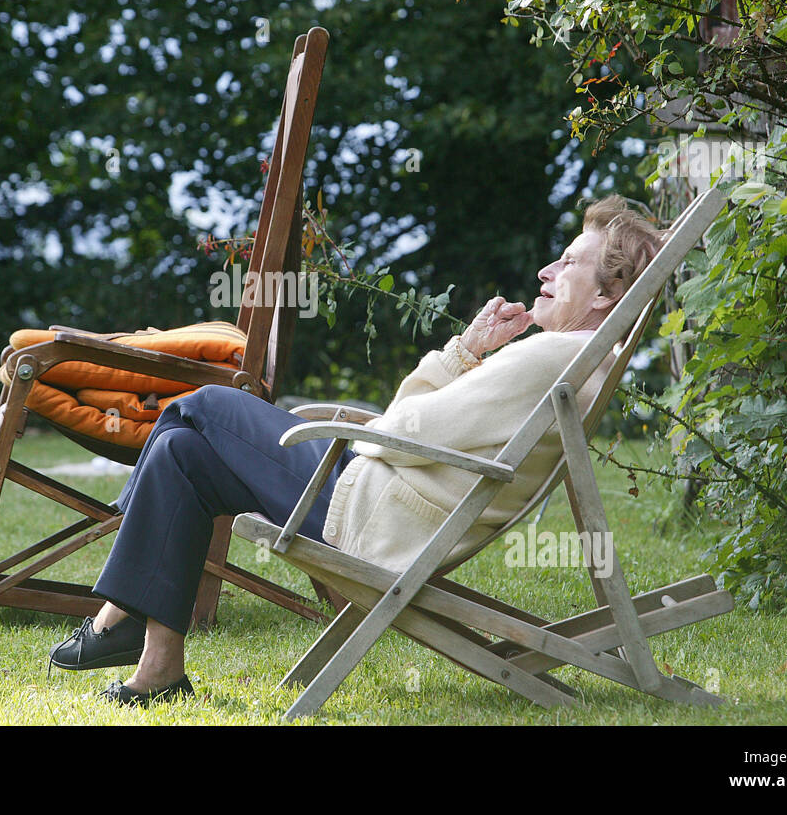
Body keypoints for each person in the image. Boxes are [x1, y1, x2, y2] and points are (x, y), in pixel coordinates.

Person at [48, 195, 665, 706]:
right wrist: (469, 352)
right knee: (184, 449)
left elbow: (407, 427)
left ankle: (114, 613)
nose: (545, 273)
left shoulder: (549, 356)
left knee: (206, 406)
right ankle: (157, 670)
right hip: (376, 498)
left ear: (607, 296)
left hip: (368, 516)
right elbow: (418, 430)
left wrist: (461, 357)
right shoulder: (570, 360)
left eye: (567, 263)